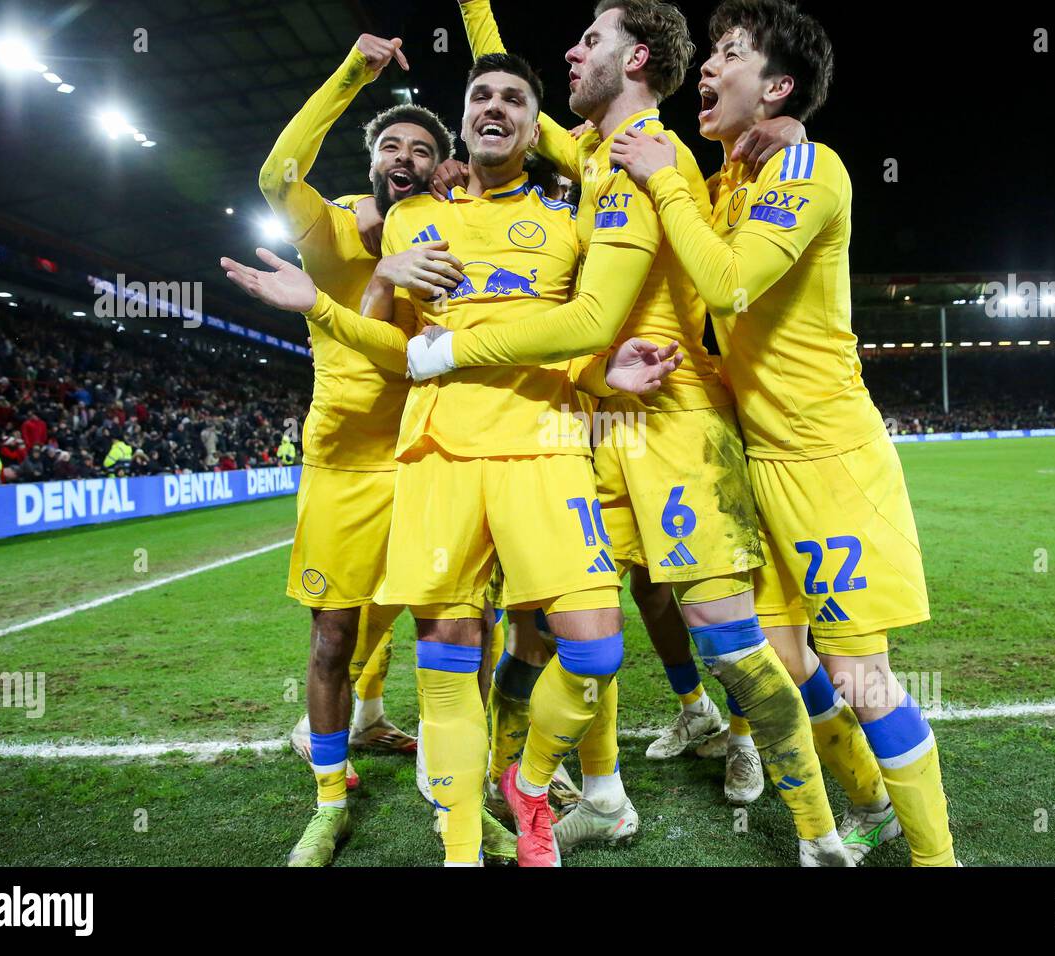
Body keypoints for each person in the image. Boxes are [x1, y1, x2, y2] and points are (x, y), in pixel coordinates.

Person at [409, 0, 851, 865]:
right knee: (562, 628)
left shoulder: (651, 159)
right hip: (601, 424)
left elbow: (593, 316)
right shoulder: (597, 150)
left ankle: (820, 833)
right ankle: (560, 791)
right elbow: (511, 90)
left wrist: (448, 351)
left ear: (637, 56)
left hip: (677, 423)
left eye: (590, 41)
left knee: (732, 645)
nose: (570, 54)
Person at [222, 51, 680, 866]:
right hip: (402, 455)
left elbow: (567, 330)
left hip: (536, 449)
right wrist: (323, 301)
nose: (406, 159)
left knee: (580, 644)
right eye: (479, 95)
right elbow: (392, 347)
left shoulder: (566, 220)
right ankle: (440, 837)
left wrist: (601, 373)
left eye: (512, 98)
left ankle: (532, 780)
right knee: (377, 643)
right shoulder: (373, 226)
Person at [610, 0, 956, 865]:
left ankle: (940, 859)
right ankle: (871, 807)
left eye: (730, 52)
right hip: (758, 458)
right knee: (791, 665)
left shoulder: (812, 165)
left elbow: (730, 284)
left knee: (860, 676)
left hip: (829, 458)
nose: (710, 66)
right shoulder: (734, 181)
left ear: (778, 85)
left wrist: (666, 178)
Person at [253, 31, 451, 866]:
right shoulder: (328, 231)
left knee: (439, 629)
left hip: (427, 455)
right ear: (374, 156)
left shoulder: (446, 231)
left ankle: (444, 785)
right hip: (341, 459)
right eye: (393, 144)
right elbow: (275, 176)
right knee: (335, 634)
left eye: (423, 150)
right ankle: (329, 799)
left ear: (440, 168)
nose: (406, 157)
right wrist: (352, 74)